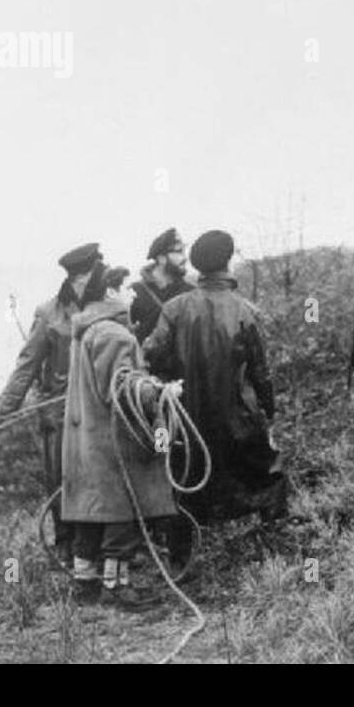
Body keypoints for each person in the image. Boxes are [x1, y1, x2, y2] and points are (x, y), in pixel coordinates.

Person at [62, 264, 183, 611]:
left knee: (91, 509)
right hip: (114, 440)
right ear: (109, 294)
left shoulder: (87, 330)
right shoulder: (115, 335)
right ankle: (116, 586)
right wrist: (161, 391)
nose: (131, 293)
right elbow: (122, 387)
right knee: (123, 508)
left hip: (89, 436)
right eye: (122, 287)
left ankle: (84, 580)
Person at [144, 229, 285, 524]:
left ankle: (183, 551)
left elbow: (151, 356)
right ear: (227, 263)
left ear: (198, 267)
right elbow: (261, 372)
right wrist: (268, 410)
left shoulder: (174, 309)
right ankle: (275, 532)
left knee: (188, 486)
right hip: (238, 423)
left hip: (187, 420)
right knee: (266, 476)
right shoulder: (246, 311)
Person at [0, 242, 103, 565]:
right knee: (61, 480)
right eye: (97, 271)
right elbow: (27, 364)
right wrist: (4, 409)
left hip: (95, 411)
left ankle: (95, 548)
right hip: (58, 412)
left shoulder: (108, 307)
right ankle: (66, 544)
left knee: (96, 478)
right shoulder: (48, 314)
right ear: (81, 277)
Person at [130, 227, 194, 345]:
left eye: (184, 252)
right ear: (161, 258)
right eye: (179, 252)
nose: (185, 258)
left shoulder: (191, 293)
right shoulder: (134, 293)